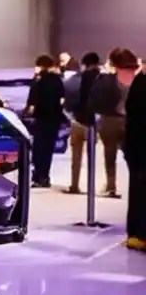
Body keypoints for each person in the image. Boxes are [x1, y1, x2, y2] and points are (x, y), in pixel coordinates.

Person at [93, 48, 138, 198]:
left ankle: (111, 186)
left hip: (110, 120)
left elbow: (97, 100)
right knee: (134, 156)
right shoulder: (137, 79)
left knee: (109, 155)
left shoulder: (106, 79)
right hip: (131, 121)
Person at [64, 52, 103, 194]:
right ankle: (99, 187)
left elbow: (68, 99)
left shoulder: (76, 79)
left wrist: (71, 114)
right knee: (97, 157)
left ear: (84, 64)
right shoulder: (103, 79)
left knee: (76, 157)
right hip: (97, 123)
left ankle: (75, 185)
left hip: (79, 120)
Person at [25, 54, 65, 188]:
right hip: (53, 119)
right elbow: (61, 98)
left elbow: (33, 99)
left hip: (41, 118)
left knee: (38, 149)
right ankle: (44, 176)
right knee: (47, 150)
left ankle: (38, 175)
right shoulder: (57, 80)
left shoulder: (39, 80)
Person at [124, 51, 146, 250]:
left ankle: (137, 234)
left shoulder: (139, 83)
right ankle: (138, 234)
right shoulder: (141, 85)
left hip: (137, 147)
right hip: (140, 149)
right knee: (139, 191)